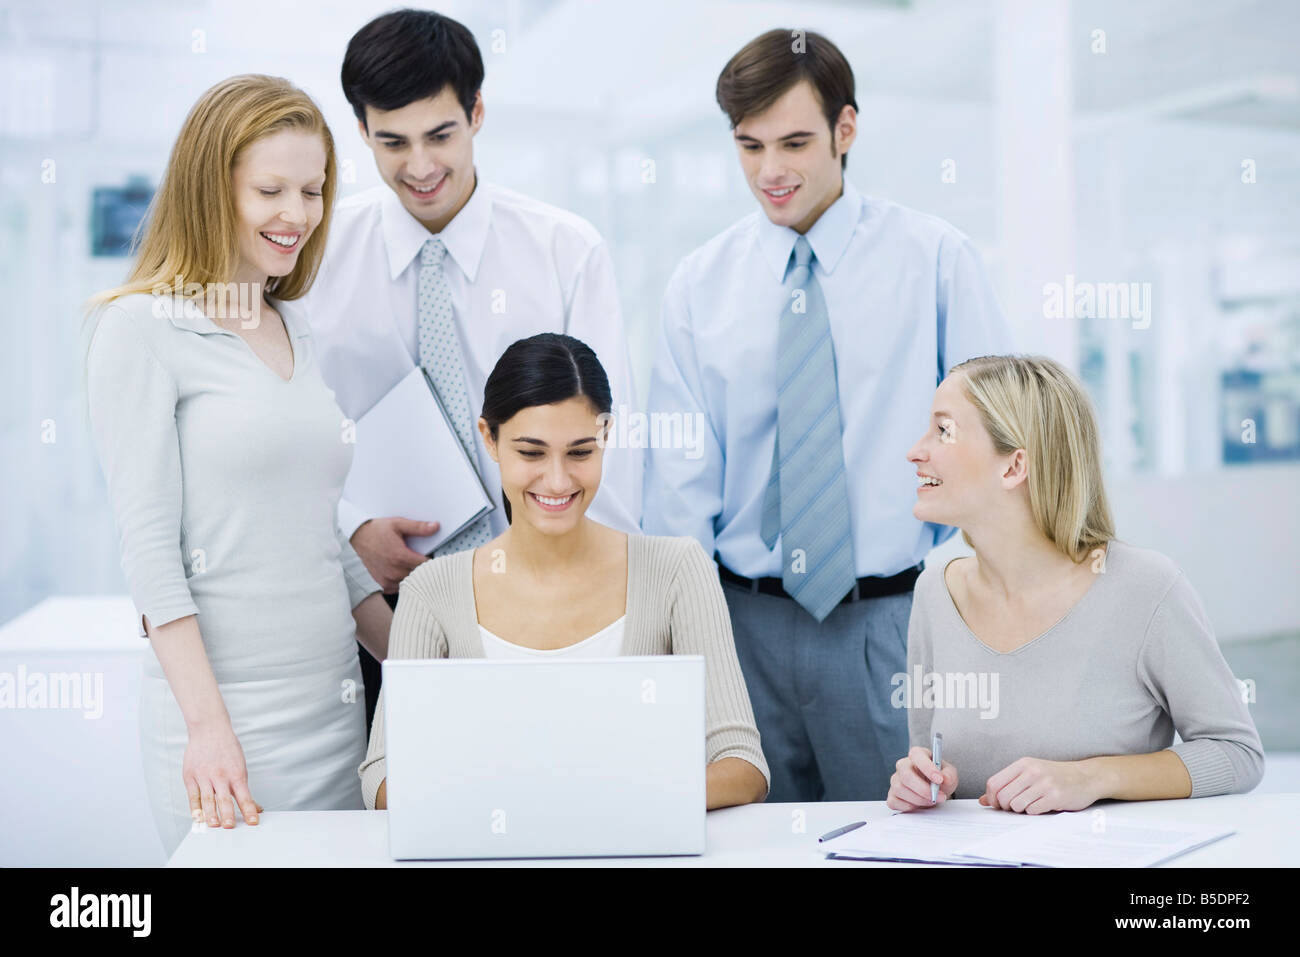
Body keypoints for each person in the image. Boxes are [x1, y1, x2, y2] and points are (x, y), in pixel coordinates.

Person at [643, 28, 1015, 803]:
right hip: (740, 626)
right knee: (742, 846)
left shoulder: (936, 260)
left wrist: (955, 610)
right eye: (749, 147)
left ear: (847, 129)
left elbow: (992, 453)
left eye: (795, 142)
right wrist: (686, 645)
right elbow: (679, 484)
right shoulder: (696, 285)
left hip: (891, 623)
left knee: (909, 841)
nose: (771, 171)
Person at [301, 8, 644, 736]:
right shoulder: (318, 263)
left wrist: (590, 606)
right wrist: (351, 528)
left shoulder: (564, 250)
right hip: (377, 607)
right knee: (398, 822)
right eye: (391, 141)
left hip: (543, 598)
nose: (420, 167)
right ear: (360, 131)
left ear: (477, 113)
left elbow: (610, 445)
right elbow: (293, 440)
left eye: (440, 135)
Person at [82, 75, 393, 858]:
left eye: (314, 190)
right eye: (271, 189)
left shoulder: (297, 326)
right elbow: (150, 551)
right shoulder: (139, 329)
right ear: (210, 186)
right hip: (228, 725)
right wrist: (209, 730)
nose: (298, 214)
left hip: (336, 709)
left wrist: (416, 661)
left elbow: (317, 533)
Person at [358, 334, 769, 812]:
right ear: (489, 439)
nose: (557, 481)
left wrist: (588, 800)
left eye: (580, 452)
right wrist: (549, 802)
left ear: (606, 437)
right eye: (531, 453)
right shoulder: (433, 590)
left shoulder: (676, 570)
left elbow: (744, 766)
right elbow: (384, 778)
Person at [889, 355, 1265, 813]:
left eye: (943, 430)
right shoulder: (934, 593)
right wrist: (920, 781)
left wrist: (1090, 777)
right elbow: (930, 759)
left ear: (1013, 467)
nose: (915, 451)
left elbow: (1237, 754)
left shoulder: (1147, 589)